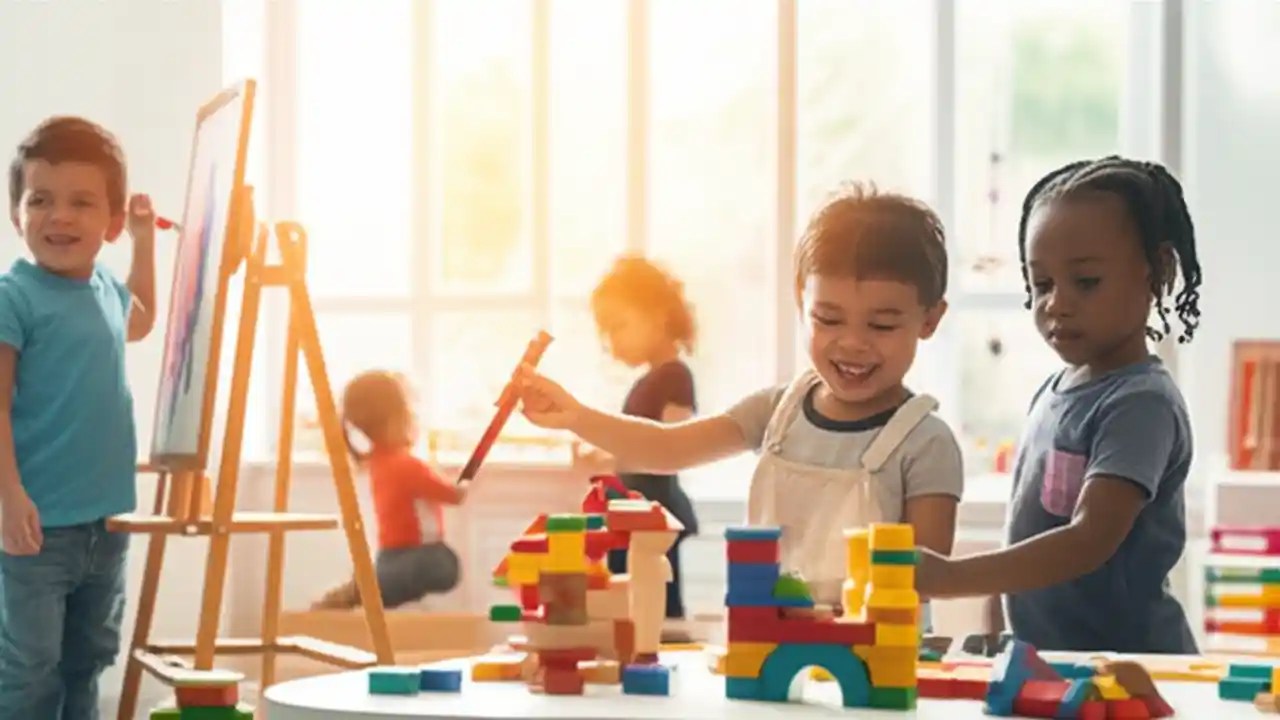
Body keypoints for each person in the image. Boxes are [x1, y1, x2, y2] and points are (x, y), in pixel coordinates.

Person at [518, 183, 964, 615]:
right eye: (828, 319)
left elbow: (926, 577)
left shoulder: (925, 442)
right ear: (799, 298)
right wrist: (574, 416)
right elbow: (667, 448)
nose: (852, 343)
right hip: (768, 640)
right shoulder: (778, 411)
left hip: (881, 660)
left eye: (882, 326)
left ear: (930, 319)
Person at [915, 156, 1204, 654]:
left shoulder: (1140, 405)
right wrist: (1002, 622)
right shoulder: (1055, 391)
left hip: (1133, 667)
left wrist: (952, 577)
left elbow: (1088, 539)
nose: (1056, 304)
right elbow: (1029, 529)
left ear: (1157, 271)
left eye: (1086, 282)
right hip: (1062, 662)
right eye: (1042, 284)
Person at [0, 116, 158, 717]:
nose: (58, 216)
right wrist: (9, 496)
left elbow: (140, 319)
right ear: (18, 214)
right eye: (40, 200)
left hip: (104, 523)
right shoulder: (13, 297)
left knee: (87, 660)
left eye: (81, 202)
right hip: (36, 526)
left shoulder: (105, 290)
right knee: (28, 668)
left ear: (110, 224)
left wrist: (144, 241)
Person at [578, 255, 700, 629]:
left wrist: (610, 453)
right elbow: (640, 442)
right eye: (605, 333)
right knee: (632, 598)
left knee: (654, 602)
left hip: (652, 513)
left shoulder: (674, 377)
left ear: (658, 315)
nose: (611, 343)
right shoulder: (651, 381)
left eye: (618, 327)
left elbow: (671, 447)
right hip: (632, 513)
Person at [313, 370, 467, 610]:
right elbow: (453, 495)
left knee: (434, 567)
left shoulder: (379, 461)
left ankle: (369, 585)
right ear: (396, 420)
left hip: (390, 557)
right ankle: (367, 587)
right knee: (446, 567)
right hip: (415, 555)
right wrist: (465, 483)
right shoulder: (406, 464)